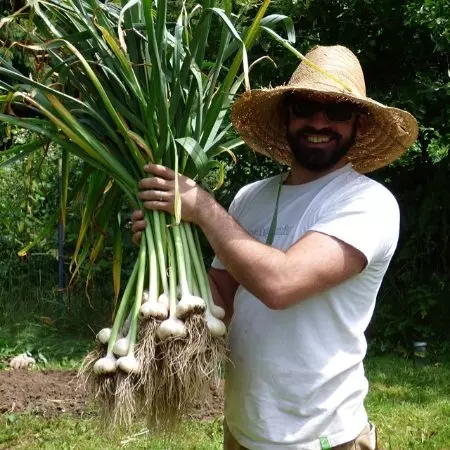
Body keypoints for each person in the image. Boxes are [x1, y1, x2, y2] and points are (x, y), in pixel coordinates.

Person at [131, 45, 418, 450]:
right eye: (305, 105)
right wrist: (167, 251)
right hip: (242, 430)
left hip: (321, 438)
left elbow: (281, 284)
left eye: (337, 110)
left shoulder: (368, 203)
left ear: (361, 125)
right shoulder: (251, 198)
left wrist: (204, 210)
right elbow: (222, 299)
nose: (319, 120)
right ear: (288, 115)